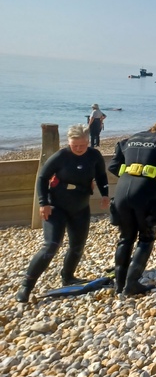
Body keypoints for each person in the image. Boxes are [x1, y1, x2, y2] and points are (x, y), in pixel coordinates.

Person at [16, 125, 110, 303]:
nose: (79, 149)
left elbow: (101, 175)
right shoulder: (60, 157)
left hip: (81, 208)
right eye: (75, 146)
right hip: (56, 207)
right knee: (51, 245)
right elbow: (43, 178)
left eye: (82, 145)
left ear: (88, 142)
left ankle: (68, 277)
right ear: (69, 142)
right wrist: (43, 203)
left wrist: (105, 194)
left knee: (77, 246)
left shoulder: (94, 156)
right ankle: (26, 286)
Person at [108, 122, 156, 295]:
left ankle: (119, 286)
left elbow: (113, 166)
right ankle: (132, 283)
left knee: (125, 238)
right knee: (146, 237)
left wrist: (130, 177)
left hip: (121, 191)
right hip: (145, 191)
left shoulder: (130, 139)